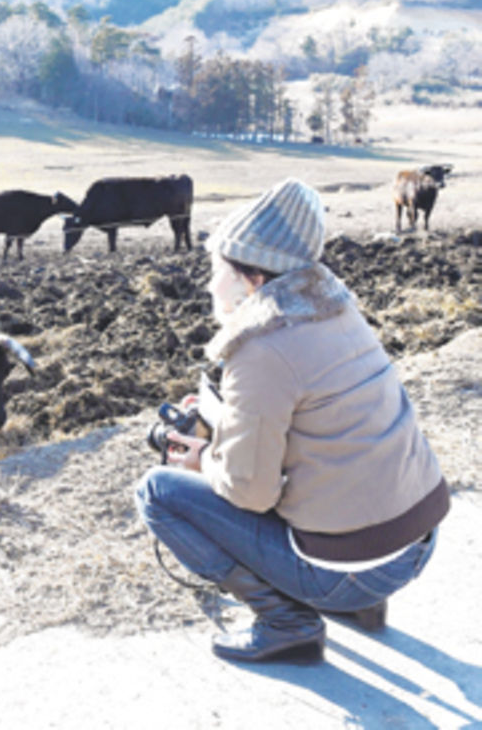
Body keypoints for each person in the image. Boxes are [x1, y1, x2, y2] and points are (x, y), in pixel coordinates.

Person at [134, 177, 449, 662]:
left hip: (354, 570)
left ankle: (287, 622)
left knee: (157, 491)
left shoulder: (260, 346)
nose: (209, 281)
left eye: (218, 267)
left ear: (253, 278)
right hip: (415, 543)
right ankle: (361, 605)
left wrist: (203, 462)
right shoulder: (335, 306)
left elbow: (249, 492)